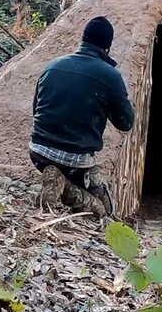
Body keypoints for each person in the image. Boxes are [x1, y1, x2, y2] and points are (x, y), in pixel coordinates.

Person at [29, 16, 134, 217]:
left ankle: (57, 178)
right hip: (75, 161)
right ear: (107, 47)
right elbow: (125, 123)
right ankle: (68, 188)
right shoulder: (110, 76)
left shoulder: (51, 66)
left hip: (38, 151)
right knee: (103, 209)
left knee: (88, 180)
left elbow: (37, 110)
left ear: (82, 39)